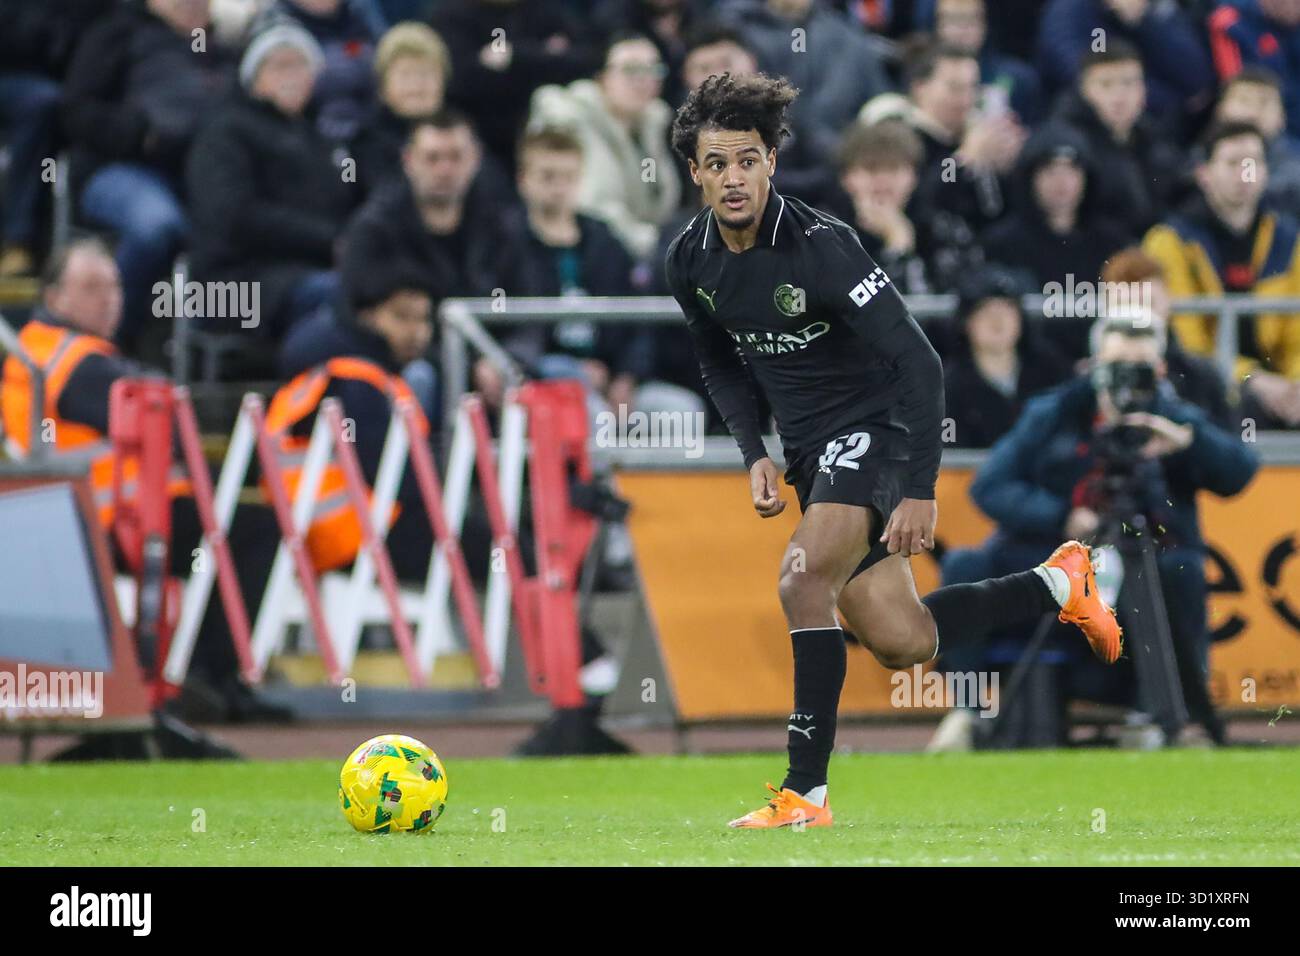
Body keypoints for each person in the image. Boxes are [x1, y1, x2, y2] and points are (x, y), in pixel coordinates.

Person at [664, 72, 1123, 829]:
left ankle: (803, 794)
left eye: (747, 159)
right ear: (696, 173)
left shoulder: (824, 247)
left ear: (771, 161)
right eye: (717, 164)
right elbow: (717, 359)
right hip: (813, 452)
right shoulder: (690, 259)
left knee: (800, 578)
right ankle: (1057, 584)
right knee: (904, 643)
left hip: (879, 427)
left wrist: (919, 487)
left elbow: (921, 363)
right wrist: (754, 450)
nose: (733, 177)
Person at [946, 317, 1259, 745]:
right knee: (968, 564)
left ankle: (1164, 718)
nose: (1127, 380)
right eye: (1116, 366)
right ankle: (966, 713)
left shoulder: (1177, 419)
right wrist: (1063, 516)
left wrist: (1187, 442)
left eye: (1142, 368)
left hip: (1145, 563)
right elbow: (989, 486)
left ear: (1162, 369)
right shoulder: (1054, 412)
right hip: (1058, 558)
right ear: (1093, 366)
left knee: (1183, 568)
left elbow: (1239, 473)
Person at [61, 0, 238, 351]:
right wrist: (140, 136)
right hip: (120, 169)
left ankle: (205, 351)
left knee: (238, 224)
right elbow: (76, 111)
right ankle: (105, 342)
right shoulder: (117, 34)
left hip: (202, 178)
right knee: (157, 225)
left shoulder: (224, 48)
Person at [186, 23, 358, 346]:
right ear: (254, 76)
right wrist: (329, 242)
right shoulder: (224, 133)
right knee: (340, 297)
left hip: (307, 273)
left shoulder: (322, 141)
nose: (292, 76)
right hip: (232, 286)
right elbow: (234, 217)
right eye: (280, 65)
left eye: (301, 65)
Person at [1142, 121, 1300, 428]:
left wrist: (1294, 385)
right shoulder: (1170, 241)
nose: (1244, 174)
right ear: (1204, 173)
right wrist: (1253, 379)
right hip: (1205, 386)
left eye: (1252, 163)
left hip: (1281, 383)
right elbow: (1190, 345)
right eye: (1232, 163)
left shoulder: (1290, 240)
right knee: (1239, 410)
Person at [528, 32, 681, 261]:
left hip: (644, 256)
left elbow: (660, 208)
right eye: (630, 70)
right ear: (602, 77)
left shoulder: (653, 123)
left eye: (653, 70)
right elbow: (595, 206)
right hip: (591, 257)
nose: (643, 80)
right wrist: (660, 247)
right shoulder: (571, 120)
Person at [1051, 41, 1185, 239]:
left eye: (1129, 83)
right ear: (1084, 90)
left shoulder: (1154, 137)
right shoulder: (1066, 143)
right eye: (1106, 84)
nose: (1119, 96)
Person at [1100, 248, 1236, 427]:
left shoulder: (1200, 377)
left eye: (1146, 305)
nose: (1137, 319)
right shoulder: (1086, 382)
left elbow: (1233, 450)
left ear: (1167, 301)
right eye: (1124, 307)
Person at [942, 269, 1073, 448]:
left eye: (1008, 308)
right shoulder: (948, 386)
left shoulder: (1050, 367)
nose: (997, 320)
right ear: (966, 322)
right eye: (985, 310)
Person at [1036, 0, 1215, 123]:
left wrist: (1145, 22)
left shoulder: (1157, 10)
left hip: (1153, 126)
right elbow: (1078, 73)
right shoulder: (1071, 10)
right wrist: (1170, 100)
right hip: (1084, 120)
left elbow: (1196, 79)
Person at [349, 20, 455, 196]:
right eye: (405, 75)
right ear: (383, 87)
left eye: (426, 74)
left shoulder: (460, 137)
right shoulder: (364, 144)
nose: (416, 85)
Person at [832, 120, 933, 295]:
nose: (883, 182)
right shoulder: (825, 233)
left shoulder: (938, 226)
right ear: (846, 178)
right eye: (871, 169)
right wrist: (897, 241)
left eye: (894, 169)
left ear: (913, 177)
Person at [934, 0, 1043, 124]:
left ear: (984, 25)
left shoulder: (1018, 78)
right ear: (938, 25)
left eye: (971, 20)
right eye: (954, 20)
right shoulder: (925, 76)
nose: (962, 30)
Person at [1213, 66, 1300, 214]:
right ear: (1220, 110)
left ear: (1282, 118)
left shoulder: (1294, 171)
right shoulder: (1198, 156)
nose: (1253, 111)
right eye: (1244, 100)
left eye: (1264, 103)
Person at [1210, 0, 1300, 140]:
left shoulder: (1292, 25)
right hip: (1264, 127)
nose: (1292, 6)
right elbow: (1236, 90)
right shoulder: (1233, 22)